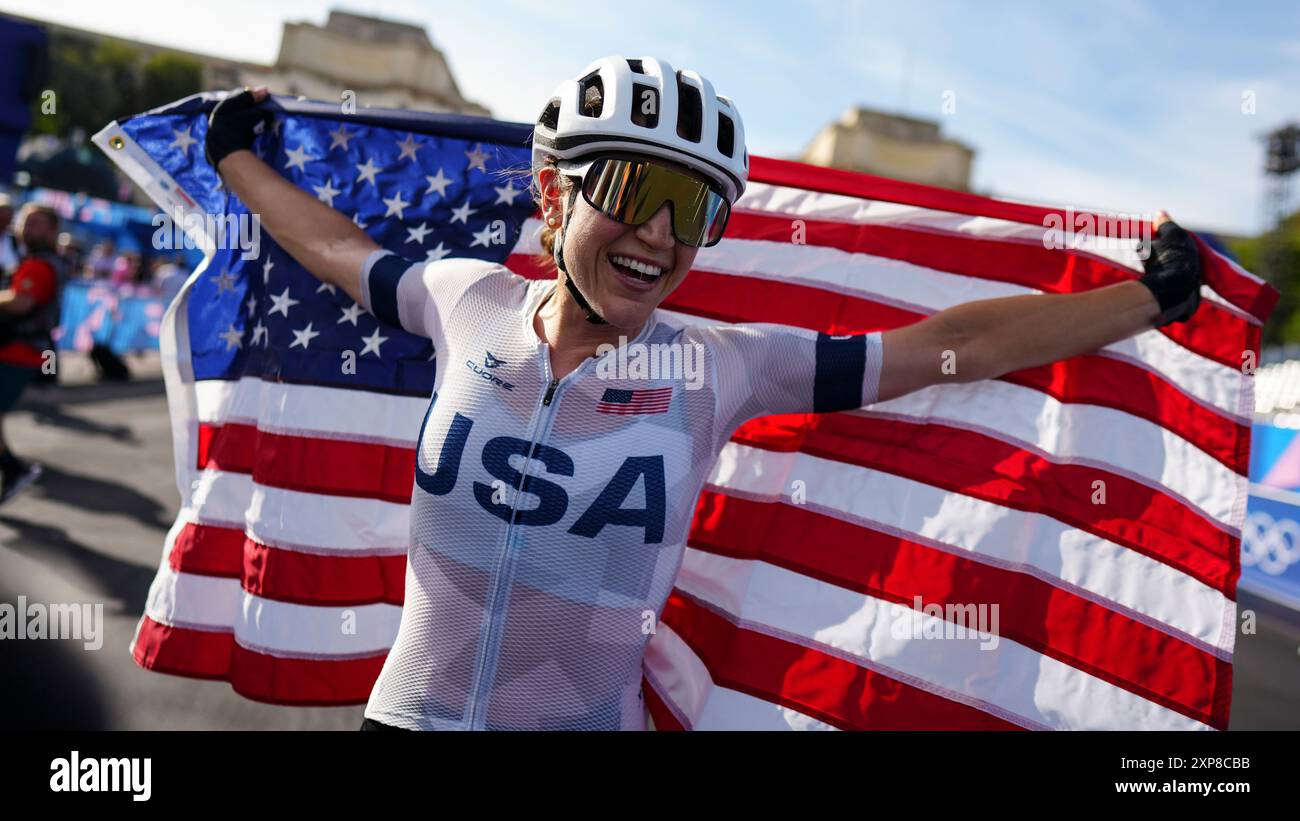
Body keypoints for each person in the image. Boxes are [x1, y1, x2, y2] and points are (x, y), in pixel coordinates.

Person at [203, 57, 1201, 731]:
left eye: (697, 209)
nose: (663, 235)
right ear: (555, 196)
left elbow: (957, 342)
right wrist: (235, 156)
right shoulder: (467, 297)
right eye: (637, 192)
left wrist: (1145, 298)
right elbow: (339, 250)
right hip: (403, 717)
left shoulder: (724, 365)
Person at [0, 204, 66, 504]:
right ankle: (13, 470)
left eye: (37, 224)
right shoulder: (34, 261)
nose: (28, 230)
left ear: (53, 231)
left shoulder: (40, 265)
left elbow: (20, 304)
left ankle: (14, 470)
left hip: (19, 351)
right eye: (25, 223)